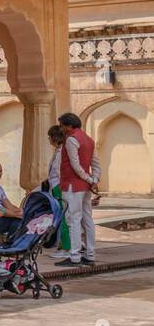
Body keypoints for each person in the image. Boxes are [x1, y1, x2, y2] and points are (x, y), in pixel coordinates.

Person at [58, 112, 101, 266]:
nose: (61, 128)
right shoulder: (88, 139)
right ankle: (90, 255)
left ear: (69, 126)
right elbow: (96, 163)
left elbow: (75, 166)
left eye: (62, 125)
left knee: (73, 220)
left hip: (72, 185)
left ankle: (75, 256)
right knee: (87, 220)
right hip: (85, 186)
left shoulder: (71, 139)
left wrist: (90, 179)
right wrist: (94, 180)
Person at [46, 124, 72, 262]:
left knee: (64, 219)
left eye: (50, 137)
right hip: (56, 186)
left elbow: (59, 172)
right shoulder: (59, 151)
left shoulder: (62, 152)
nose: (49, 139)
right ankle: (64, 247)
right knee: (61, 218)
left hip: (59, 187)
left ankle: (66, 248)